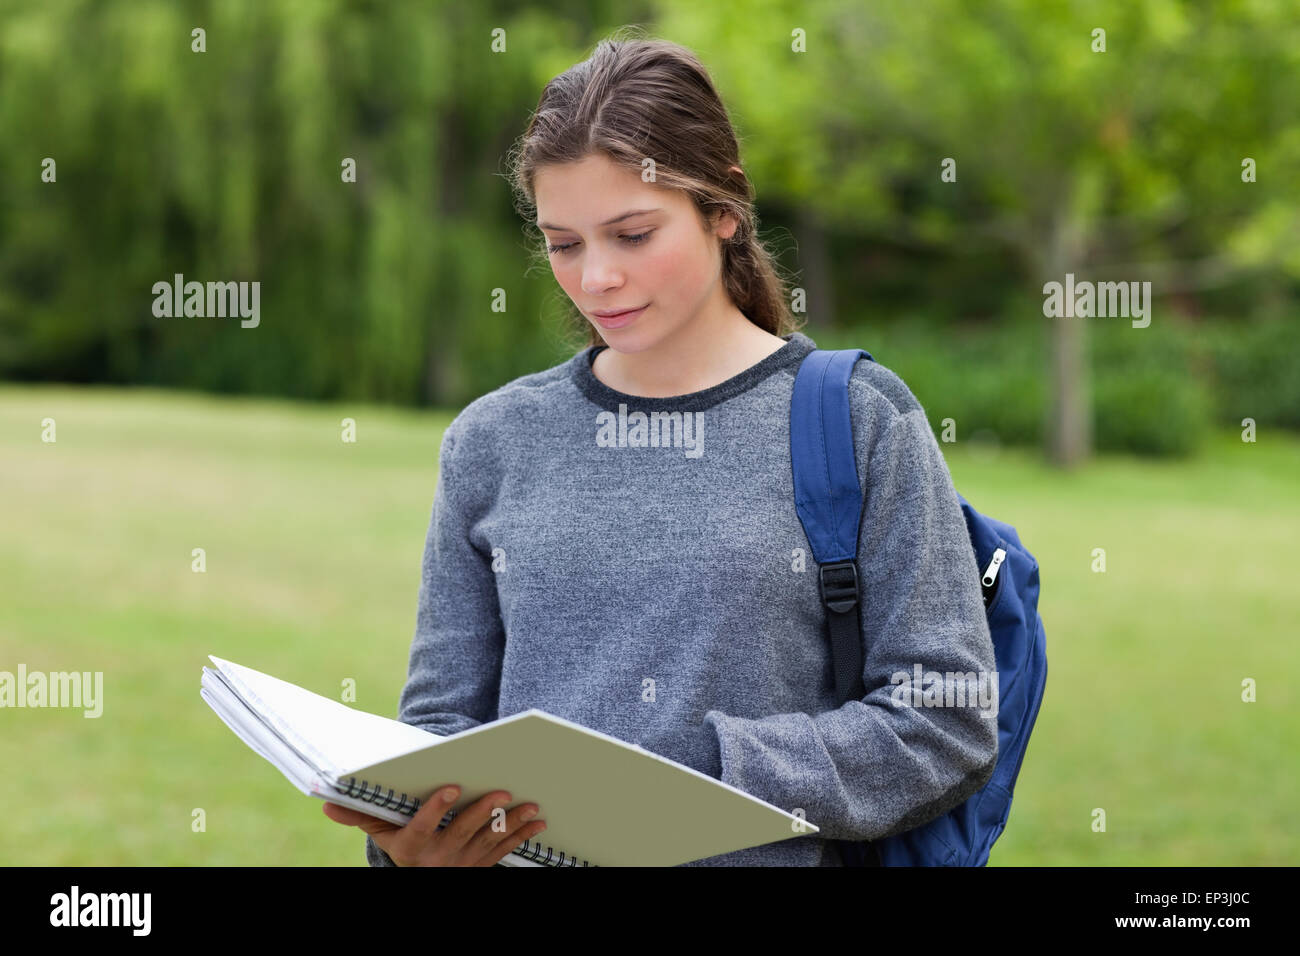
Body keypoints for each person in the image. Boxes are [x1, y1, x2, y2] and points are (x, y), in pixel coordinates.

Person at [323, 32, 997, 867]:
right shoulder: (492, 441)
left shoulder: (857, 420)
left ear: (724, 210)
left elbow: (945, 717)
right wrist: (410, 850)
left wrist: (708, 776)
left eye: (632, 234)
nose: (595, 277)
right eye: (564, 243)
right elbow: (441, 726)